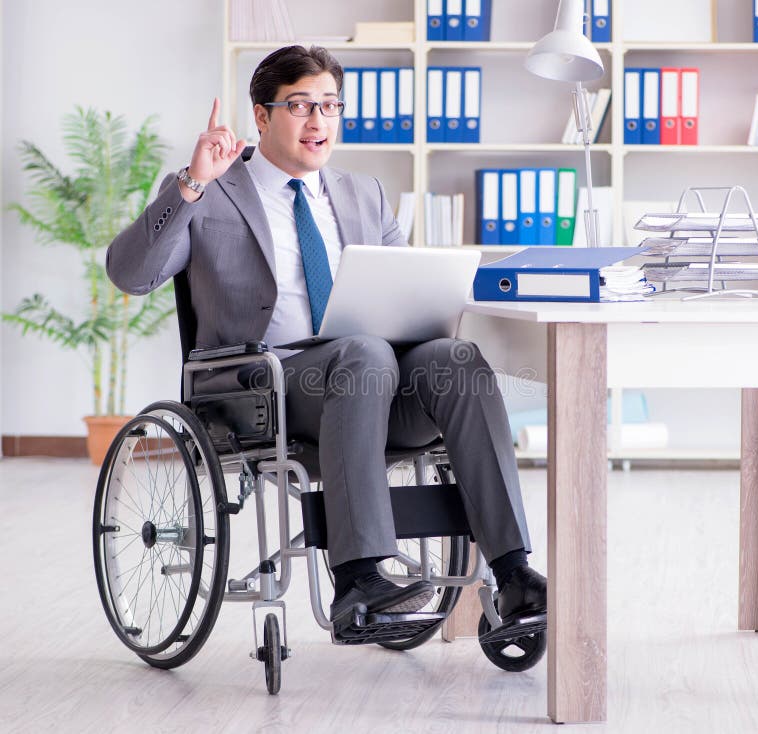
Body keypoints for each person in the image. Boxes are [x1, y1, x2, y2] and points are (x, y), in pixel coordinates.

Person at [107, 45, 546, 630]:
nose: (319, 122)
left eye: (330, 105)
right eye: (300, 106)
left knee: (457, 359)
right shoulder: (213, 191)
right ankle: (359, 577)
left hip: (376, 383)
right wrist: (191, 183)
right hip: (267, 389)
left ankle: (514, 573)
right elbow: (130, 274)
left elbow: (403, 297)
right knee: (363, 353)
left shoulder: (364, 194)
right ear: (261, 117)